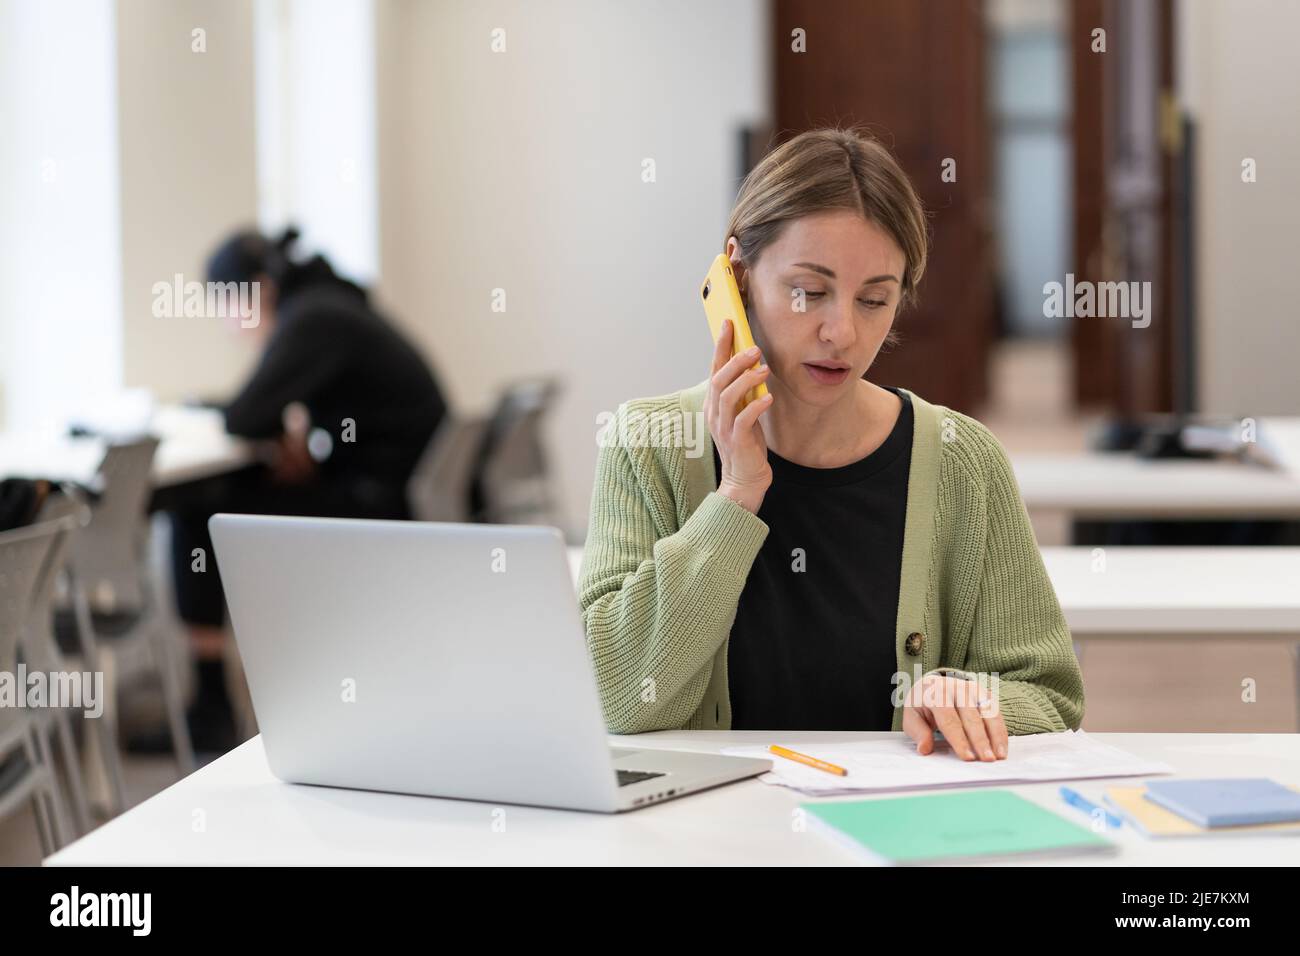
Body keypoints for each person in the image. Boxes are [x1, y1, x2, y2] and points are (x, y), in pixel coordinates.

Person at [577, 128, 1084, 760]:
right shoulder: (648, 444)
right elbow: (609, 698)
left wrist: (970, 697)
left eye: (875, 300)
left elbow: (1050, 694)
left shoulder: (963, 458)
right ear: (736, 275)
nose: (841, 331)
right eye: (808, 292)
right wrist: (735, 498)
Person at [156, 227, 448, 753]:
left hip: (379, 506)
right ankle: (224, 696)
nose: (228, 325)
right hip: (390, 491)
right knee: (224, 495)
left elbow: (246, 414)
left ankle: (210, 707)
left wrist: (279, 431)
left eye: (228, 304)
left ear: (259, 289)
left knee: (194, 508)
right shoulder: (328, 305)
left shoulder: (310, 318)